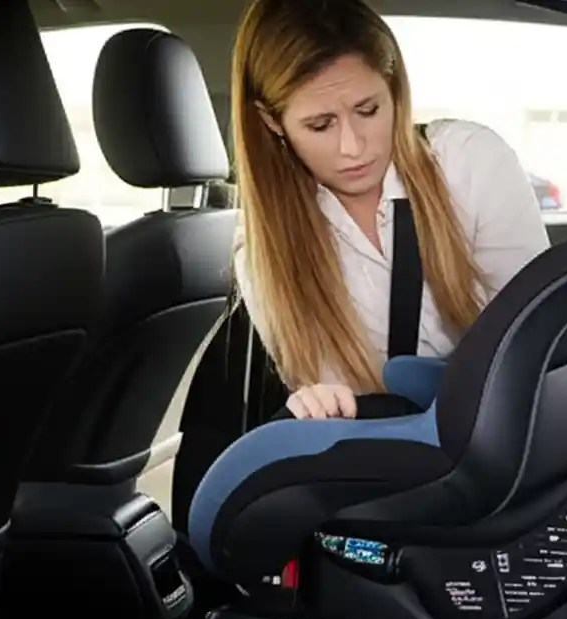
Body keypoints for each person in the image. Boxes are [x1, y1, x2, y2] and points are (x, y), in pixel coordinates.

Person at [230, 0, 550, 420]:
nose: (353, 147)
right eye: (320, 125)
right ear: (272, 122)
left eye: (368, 110)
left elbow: (538, 334)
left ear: (394, 89)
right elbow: (336, 395)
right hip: (388, 455)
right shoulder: (263, 252)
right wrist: (318, 403)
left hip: (507, 428)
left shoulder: (467, 162)